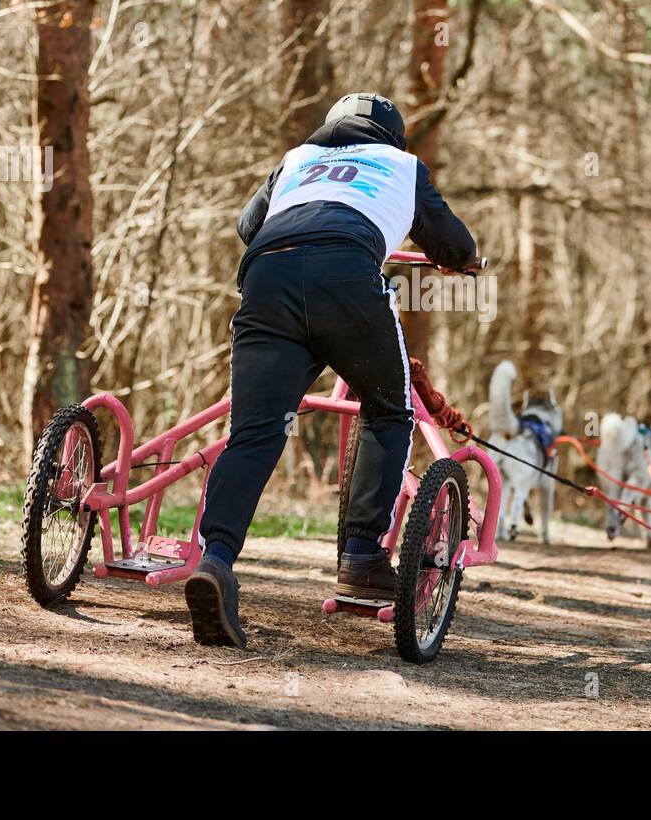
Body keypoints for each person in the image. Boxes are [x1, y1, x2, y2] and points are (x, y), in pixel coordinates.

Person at [184, 93, 479, 647]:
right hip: (347, 274)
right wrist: (463, 260)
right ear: (392, 137)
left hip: (266, 277)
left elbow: (248, 225)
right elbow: (452, 241)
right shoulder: (402, 166)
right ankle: (362, 556)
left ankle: (216, 559)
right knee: (391, 408)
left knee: (253, 433)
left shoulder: (297, 159)